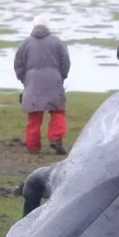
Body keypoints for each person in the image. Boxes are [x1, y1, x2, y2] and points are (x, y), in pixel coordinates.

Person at [14, 16, 71, 155]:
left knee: (34, 117)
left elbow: (18, 65)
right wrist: (61, 77)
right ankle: (55, 138)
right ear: (48, 26)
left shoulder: (25, 44)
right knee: (58, 112)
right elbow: (66, 63)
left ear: (33, 26)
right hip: (54, 81)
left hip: (32, 82)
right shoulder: (57, 42)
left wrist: (25, 80)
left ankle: (33, 146)